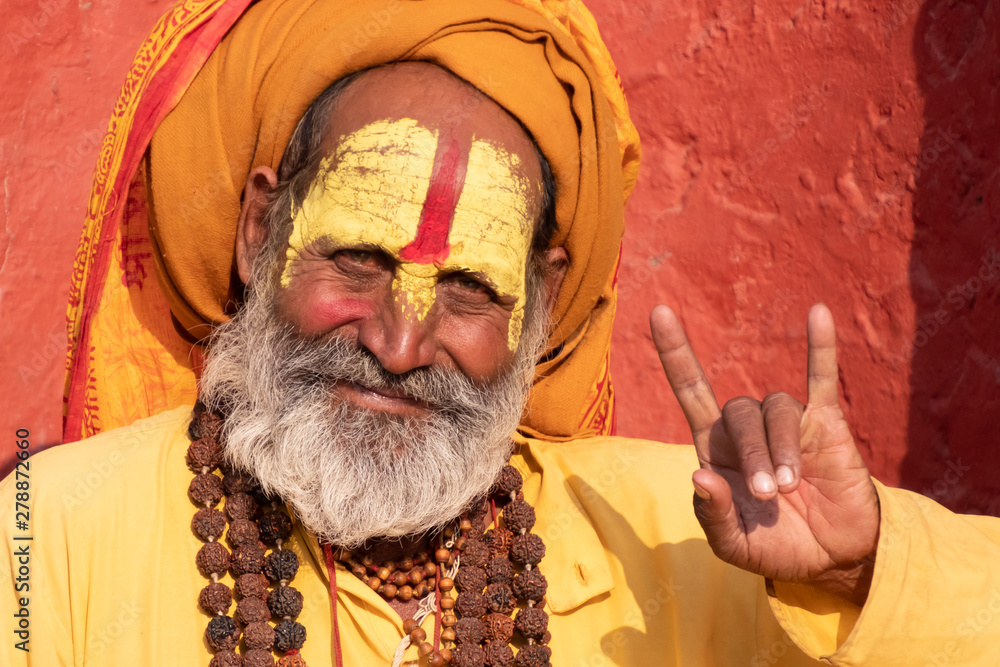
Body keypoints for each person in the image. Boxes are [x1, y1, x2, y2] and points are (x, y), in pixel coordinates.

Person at [3, 1, 999, 666]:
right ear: (263, 231)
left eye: (470, 290)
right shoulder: (49, 539)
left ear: (543, 298)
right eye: (358, 262)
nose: (399, 346)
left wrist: (860, 571)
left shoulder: (695, 539)